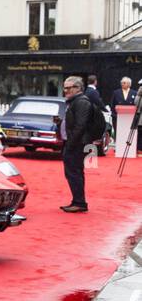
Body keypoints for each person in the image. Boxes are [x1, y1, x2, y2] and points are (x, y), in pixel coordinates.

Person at [60, 76, 93, 213]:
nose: (66, 90)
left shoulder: (81, 102)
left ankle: (79, 202)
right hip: (74, 142)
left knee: (74, 172)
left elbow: (81, 125)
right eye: (65, 88)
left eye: (69, 88)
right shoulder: (75, 101)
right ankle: (77, 201)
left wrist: (71, 143)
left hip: (76, 144)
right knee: (73, 172)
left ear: (78, 88)